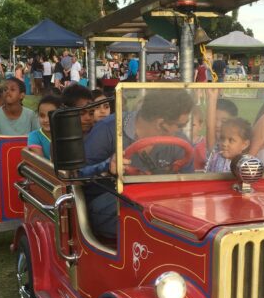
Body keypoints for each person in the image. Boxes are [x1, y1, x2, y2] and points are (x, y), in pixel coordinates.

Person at [82, 88, 194, 237]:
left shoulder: (180, 143)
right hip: (111, 206)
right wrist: (107, 167)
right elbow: (78, 175)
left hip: (160, 207)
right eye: (180, 125)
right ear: (161, 123)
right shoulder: (108, 129)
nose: (181, 130)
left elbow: (190, 187)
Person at [27, 93, 61, 159]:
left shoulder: (66, 135)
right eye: (42, 116)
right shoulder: (34, 136)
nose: (46, 120)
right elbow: (40, 162)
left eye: (50, 115)